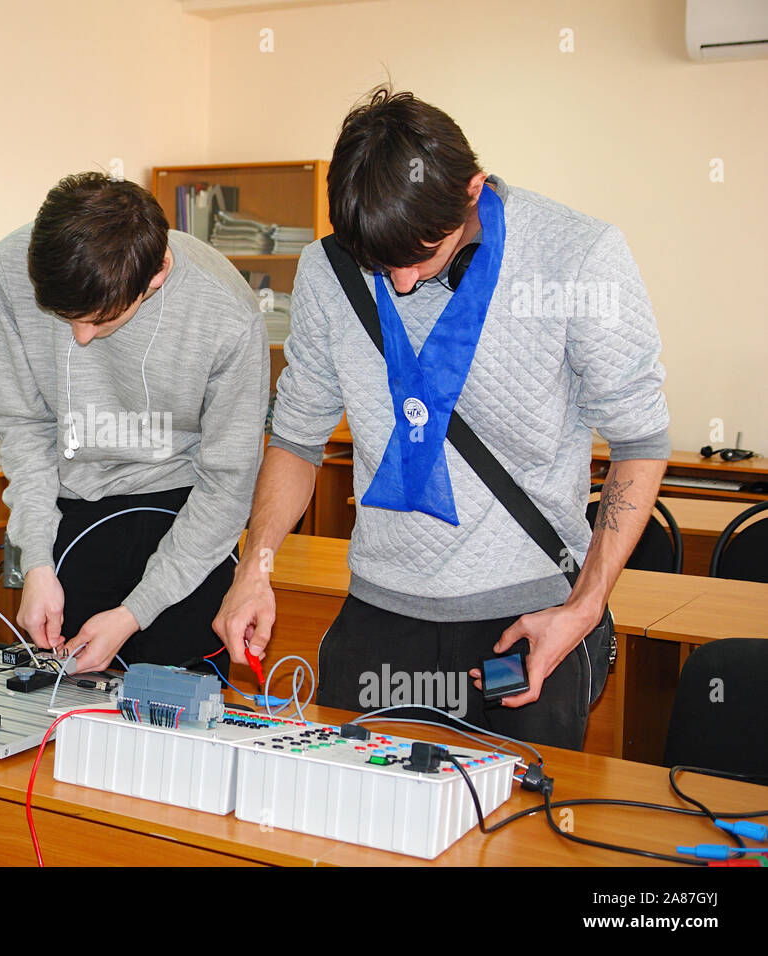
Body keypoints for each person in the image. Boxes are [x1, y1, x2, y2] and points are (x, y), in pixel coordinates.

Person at [213, 89, 669, 749]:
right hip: (378, 616)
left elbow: (641, 440)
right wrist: (254, 566)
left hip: (525, 619)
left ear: (472, 192)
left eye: (420, 258)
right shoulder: (327, 269)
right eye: (380, 265)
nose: (399, 284)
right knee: (356, 831)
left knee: (511, 834)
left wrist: (584, 606)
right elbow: (296, 437)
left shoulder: (577, 256)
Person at [0, 172, 269, 674]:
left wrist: (133, 613)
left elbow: (227, 485)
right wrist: (35, 560)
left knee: (180, 721)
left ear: (157, 273)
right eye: (66, 317)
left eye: (100, 319)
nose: (80, 338)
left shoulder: (225, 311)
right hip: (72, 510)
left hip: (185, 518)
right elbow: (24, 424)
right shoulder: (12, 267)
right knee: (64, 719)